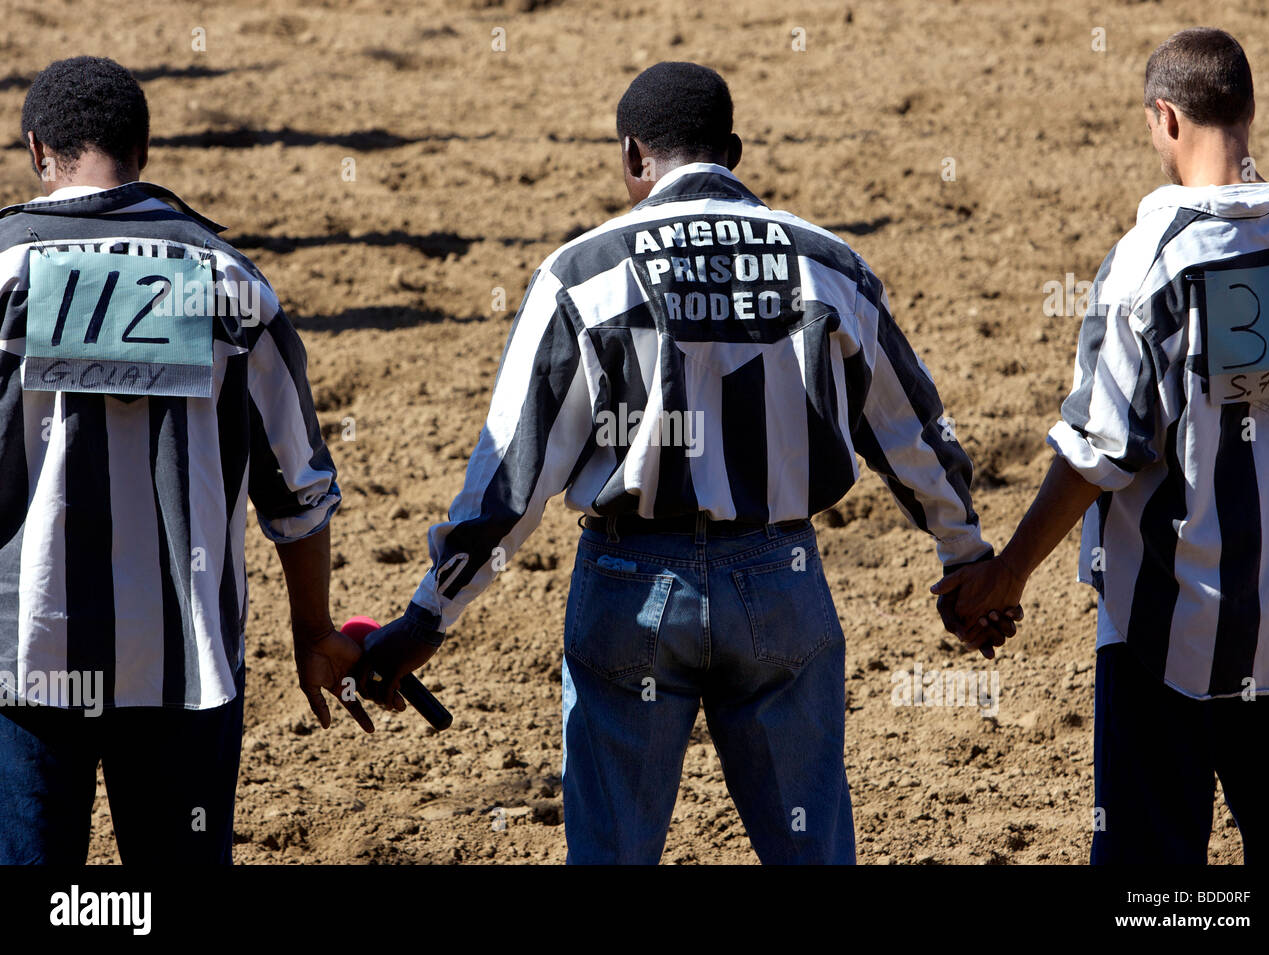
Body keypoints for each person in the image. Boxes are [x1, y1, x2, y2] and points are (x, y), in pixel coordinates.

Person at [360, 61, 1011, 864]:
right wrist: (969, 562)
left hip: (631, 586)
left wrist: (427, 619)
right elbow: (914, 434)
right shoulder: (828, 264)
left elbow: (511, 483)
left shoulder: (581, 273)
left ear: (634, 157)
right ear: (733, 152)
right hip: (781, 577)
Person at [934, 28, 1269, 864]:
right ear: (1248, 110)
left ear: (1165, 119)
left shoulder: (1147, 268)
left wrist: (1005, 574)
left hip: (1168, 636)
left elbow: (1101, 453)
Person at [0, 57, 370, 865]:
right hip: (186, 669)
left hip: (23, 663)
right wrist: (314, 631)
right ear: (145, 148)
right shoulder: (234, 283)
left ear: (37, 150)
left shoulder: (2, 272)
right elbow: (301, 492)